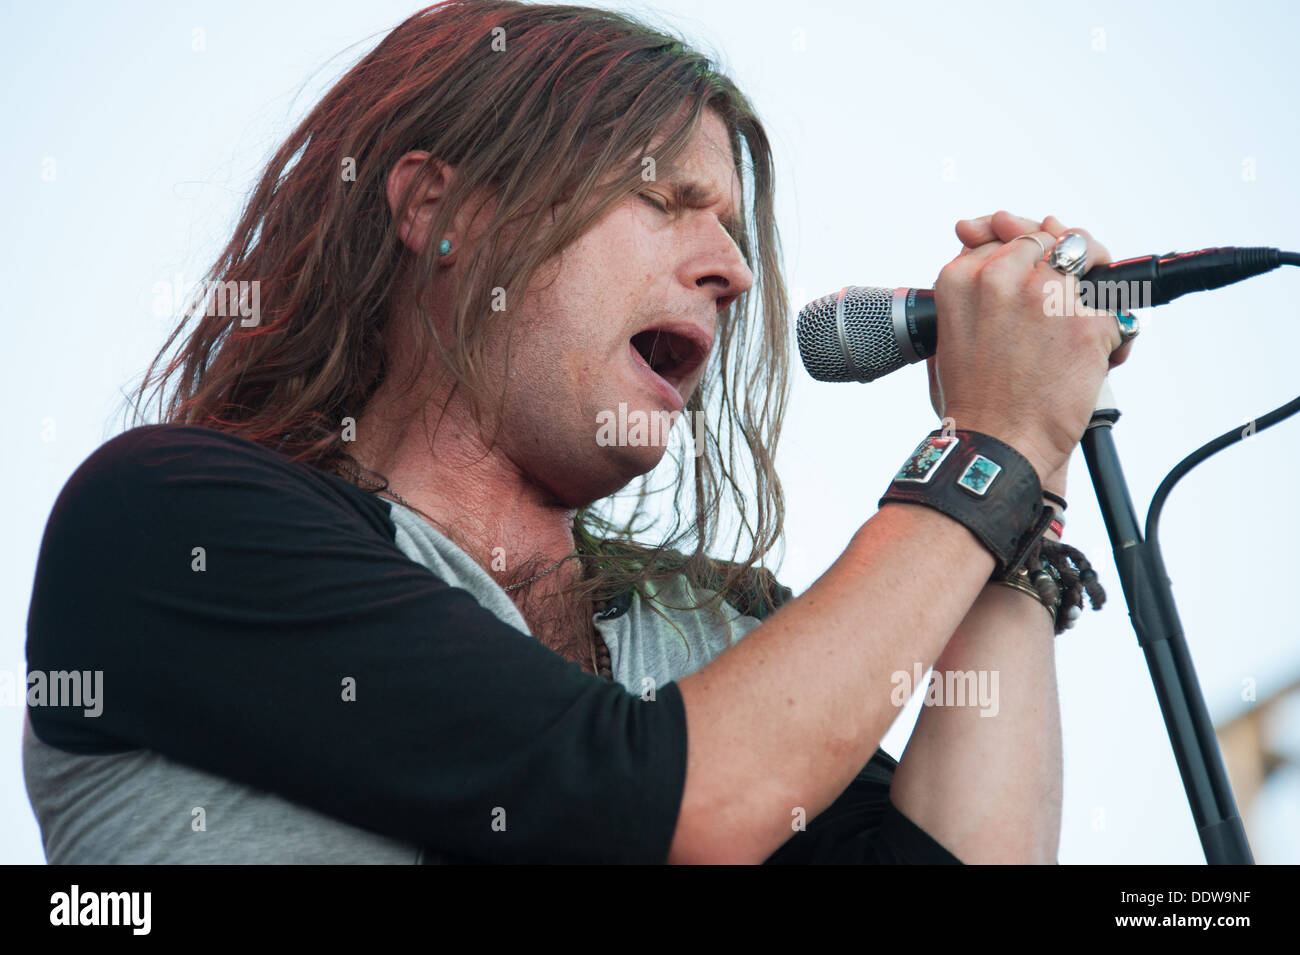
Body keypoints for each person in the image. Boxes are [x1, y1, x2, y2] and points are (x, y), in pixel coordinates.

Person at [24, 0, 1134, 864]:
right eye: (665, 201)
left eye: (734, 230)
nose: (733, 272)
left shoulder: (700, 637)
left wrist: (1017, 473)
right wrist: (982, 442)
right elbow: (659, 803)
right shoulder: (169, 521)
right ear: (441, 211)